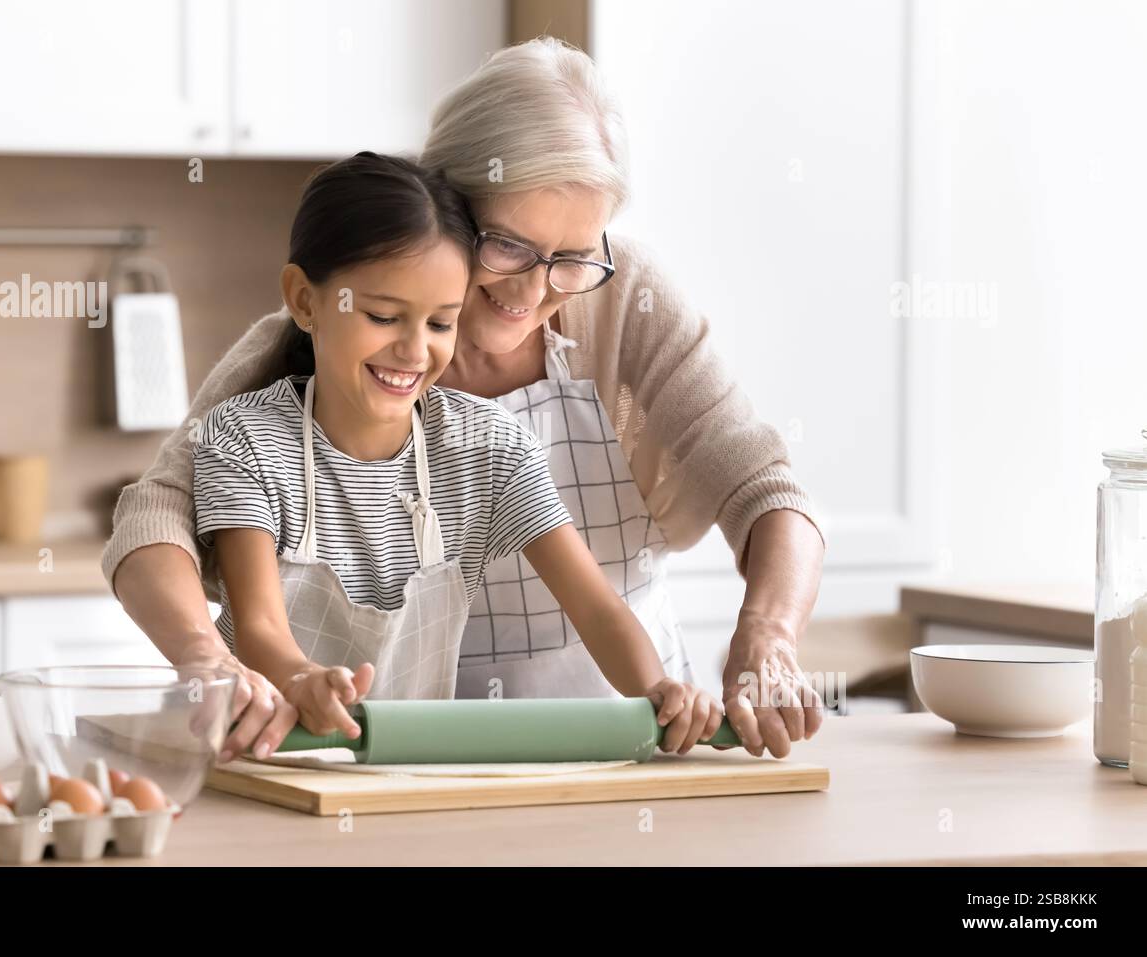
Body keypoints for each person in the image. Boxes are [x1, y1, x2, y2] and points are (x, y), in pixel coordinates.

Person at [102, 39, 826, 763]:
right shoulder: (289, 378)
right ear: (446, 199)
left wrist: (766, 633)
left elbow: (763, 487)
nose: (531, 292)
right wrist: (207, 656)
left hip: (619, 737)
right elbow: (156, 512)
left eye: (570, 259)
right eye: (508, 246)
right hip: (413, 754)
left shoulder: (611, 309)